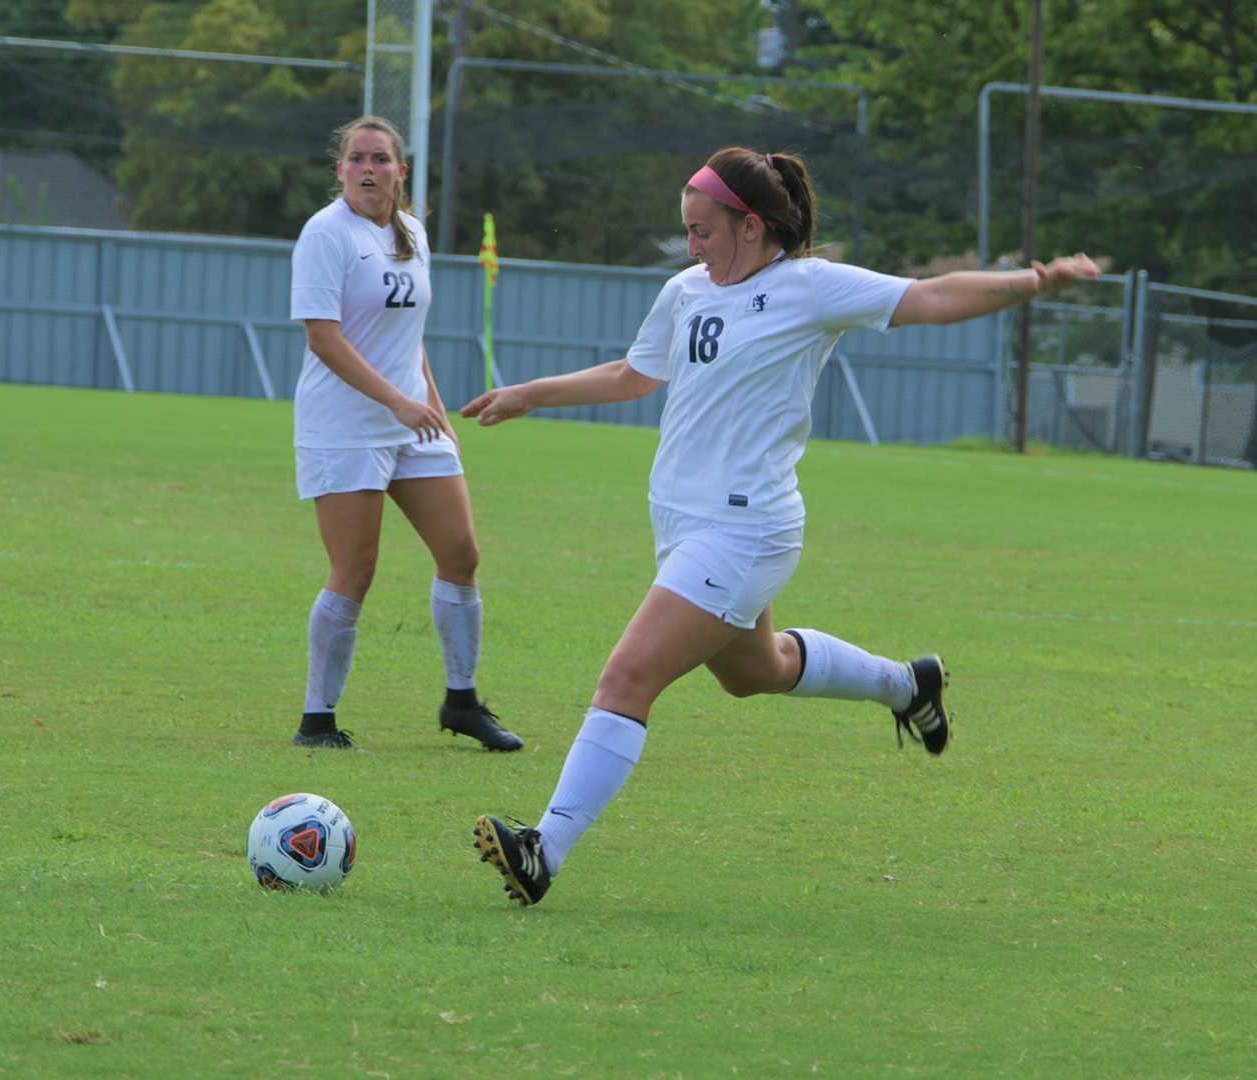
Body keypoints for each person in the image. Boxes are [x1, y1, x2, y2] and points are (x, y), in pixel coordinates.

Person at [460, 147, 1099, 904]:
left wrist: (1035, 281)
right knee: (751, 673)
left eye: (703, 231)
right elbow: (636, 374)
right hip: (684, 527)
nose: (692, 246)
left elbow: (931, 298)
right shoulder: (686, 290)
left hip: (745, 531)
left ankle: (545, 849)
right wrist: (533, 392)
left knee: (627, 678)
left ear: (753, 227)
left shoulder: (807, 288)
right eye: (688, 231)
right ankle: (906, 685)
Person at [286, 116, 520, 752]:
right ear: (339, 170)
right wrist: (396, 402)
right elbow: (322, 338)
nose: (369, 169)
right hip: (344, 426)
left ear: (401, 170)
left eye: (381, 159)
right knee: (355, 569)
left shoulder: (411, 232)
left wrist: (434, 410)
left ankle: (462, 701)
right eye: (357, 159)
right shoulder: (325, 234)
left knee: (462, 555)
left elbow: (407, 340)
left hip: (412, 422)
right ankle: (317, 720)